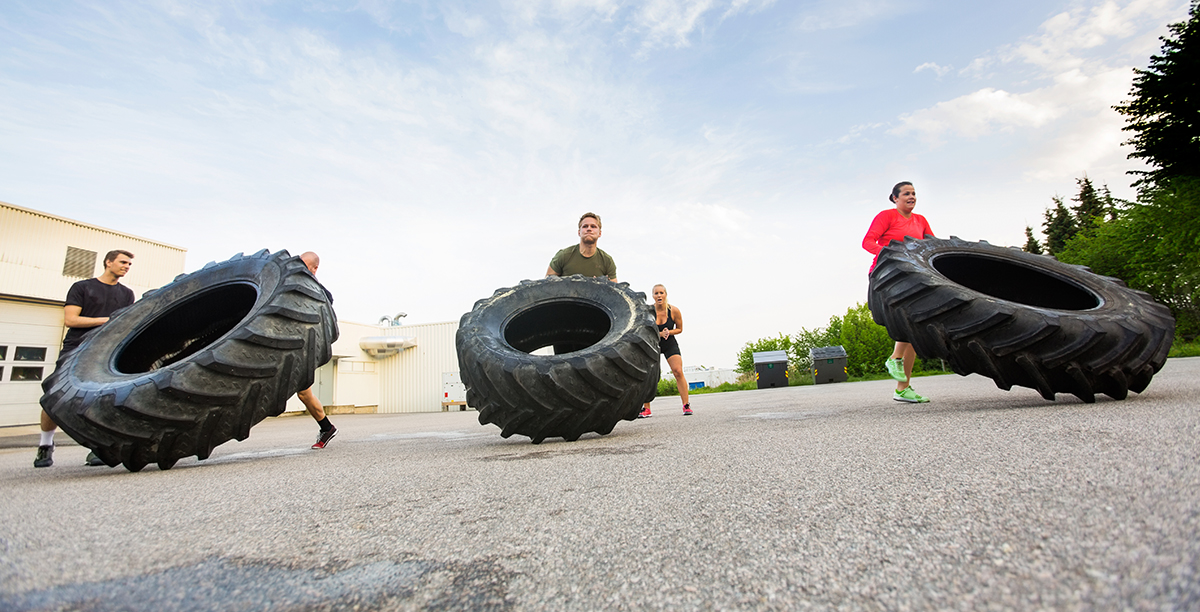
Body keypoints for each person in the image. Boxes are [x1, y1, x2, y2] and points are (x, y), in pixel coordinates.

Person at [35, 250, 135, 468]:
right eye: (123, 262)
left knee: (105, 399)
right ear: (108, 262)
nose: (126, 266)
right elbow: (71, 320)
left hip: (106, 351)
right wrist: (108, 320)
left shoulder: (127, 294)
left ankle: (98, 447)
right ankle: (45, 445)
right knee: (54, 397)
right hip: (76, 347)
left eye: (129, 264)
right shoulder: (82, 287)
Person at [862, 181, 935, 403]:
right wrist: (892, 254)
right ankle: (895, 357)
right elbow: (867, 242)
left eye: (913, 193)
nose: (911, 197)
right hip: (888, 275)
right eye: (906, 194)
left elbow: (932, 245)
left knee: (914, 330)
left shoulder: (921, 221)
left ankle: (903, 388)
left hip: (913, 275)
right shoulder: (887, 216)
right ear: (895, 198)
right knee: (910, 319)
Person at [297, 251, 338, 449]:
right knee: (303, 394)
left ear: (314, 269)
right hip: (292, 344)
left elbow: (328, 303)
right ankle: (327, 427)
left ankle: (327, 428)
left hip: (304, 347)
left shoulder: (320, 292)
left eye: (304, 265)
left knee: (303, 392)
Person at [639, 284, 692, 418]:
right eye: (656, 293)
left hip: (669, 343)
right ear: (653, 296)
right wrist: (659, 334)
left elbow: (680, 329)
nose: (659, 295)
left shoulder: (674, 311)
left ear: (665, 295)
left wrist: (669, 332)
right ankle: (646, 408)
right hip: (653, 344)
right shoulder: (648, 312)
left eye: (661, 293)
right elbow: (643, 330)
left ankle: (686, 405)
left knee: (678, 371)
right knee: (649, 375)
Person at [546, 212, 617, 281]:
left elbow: (615, 288)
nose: (589, 229)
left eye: (593, 226)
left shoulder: (607, 261)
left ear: (600, 233)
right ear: (579, 232)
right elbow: (547, 284)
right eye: (585, 226)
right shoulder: (563, 256)